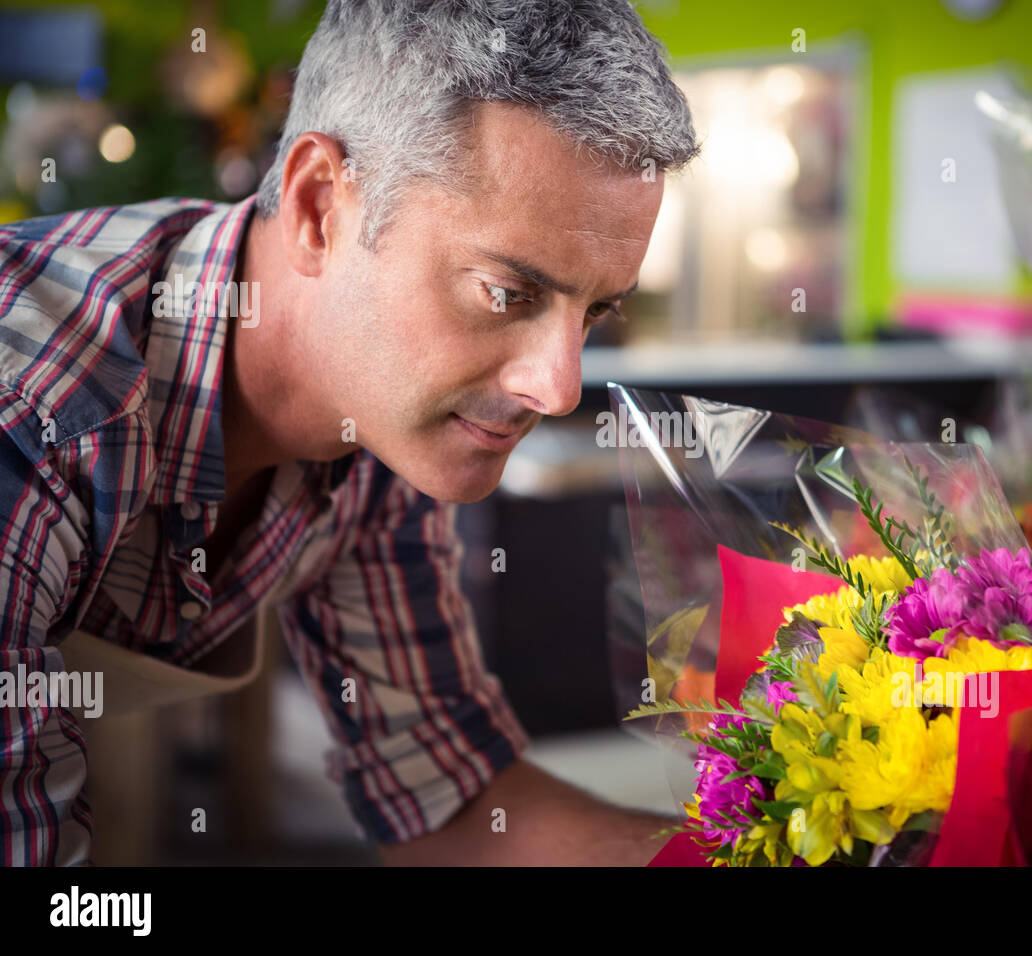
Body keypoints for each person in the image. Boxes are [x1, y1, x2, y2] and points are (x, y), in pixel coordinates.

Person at [0, 0, 697, 866]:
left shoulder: (381, 431)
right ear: (319, 207)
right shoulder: (35, 410)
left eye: (594, 311)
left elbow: (449, 804)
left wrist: (760, 849)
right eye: (506, 294)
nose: (557, 388)